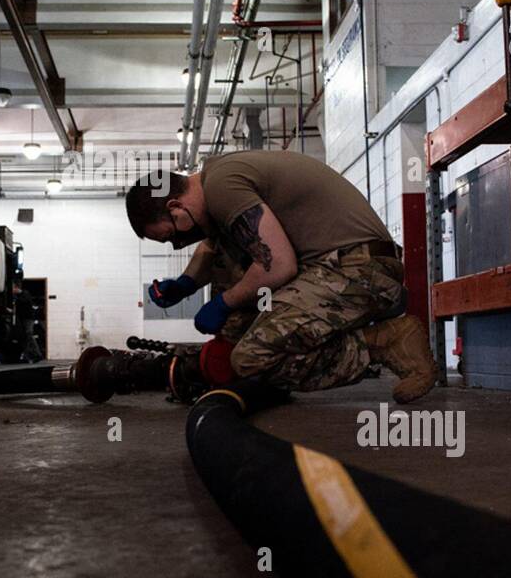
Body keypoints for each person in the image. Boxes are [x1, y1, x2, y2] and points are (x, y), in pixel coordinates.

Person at [126, 150, 437, 403]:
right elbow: (215, 246)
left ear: (176, 206)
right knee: (237, 312)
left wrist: (224, 302)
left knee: (251, 358)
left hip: (361, 271)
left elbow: (278, 264)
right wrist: (185, 285)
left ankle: (382, 343)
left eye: (171, 236)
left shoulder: (222, 186)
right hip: (342, 266)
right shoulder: (217, 179)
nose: (178, 243)